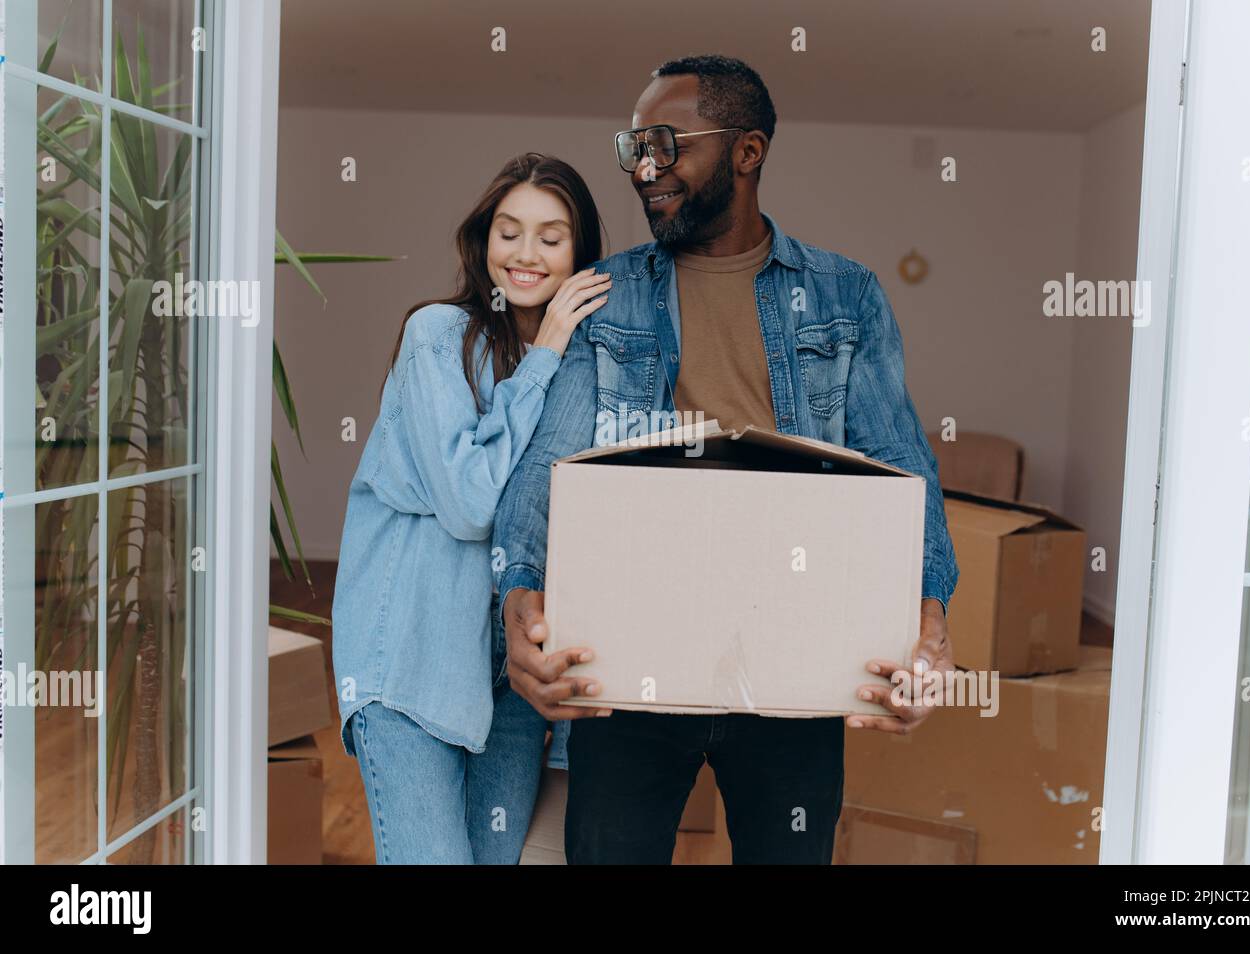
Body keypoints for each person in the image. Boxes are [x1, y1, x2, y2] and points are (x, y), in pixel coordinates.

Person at [493, 56, 959, 864]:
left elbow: (898, 466)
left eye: (666, 145)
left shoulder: (846, 296)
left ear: (747, 152)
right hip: (626, 655)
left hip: (794, 658)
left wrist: (929, 625)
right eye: (634, 148)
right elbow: (551, 461)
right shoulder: (606, 292)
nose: (645, 169)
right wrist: (519, 601)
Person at [331, 153, 611, 863]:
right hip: (411, 665)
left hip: (509, 685)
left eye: (551, 238)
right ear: (483, 239)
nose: (524, 255)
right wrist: (546, 347)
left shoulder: (585, 367)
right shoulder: (438, 337)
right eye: (508, 232)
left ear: (579, 254)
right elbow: (469, 502)